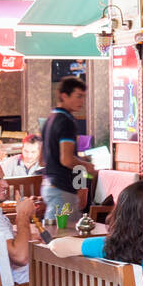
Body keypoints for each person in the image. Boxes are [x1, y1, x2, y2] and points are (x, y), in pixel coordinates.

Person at [41, 77, 96, 221]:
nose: (82, 101)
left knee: (60, 233)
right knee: (61, 235)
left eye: (83, 97)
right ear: (64, 96)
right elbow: (66, 160)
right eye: (78, 96)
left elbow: (43, 159)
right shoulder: (66, 121)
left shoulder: (50, 118)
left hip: (50, 185)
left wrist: (80, 163)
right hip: (61, 189)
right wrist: (87, 166)